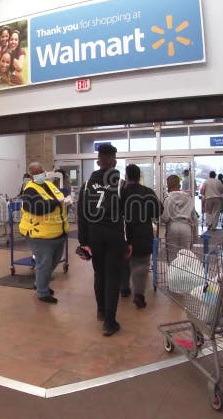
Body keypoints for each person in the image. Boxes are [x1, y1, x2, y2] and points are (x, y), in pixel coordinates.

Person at [76, 143, 130, 336]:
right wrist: (128, 241)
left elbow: (81, 215)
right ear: (114, 161)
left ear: (99, 161)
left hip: (94, 235)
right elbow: (129, 216)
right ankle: (109, 322)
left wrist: (83, 243)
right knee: (113, 277)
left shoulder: (86, 185)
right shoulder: (121, 185)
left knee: (99, 274)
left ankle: (101, 310)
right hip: (114, 235)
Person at [18, 162, 70, 304]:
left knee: (53, 262)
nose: (41, 174)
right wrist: (57, 202)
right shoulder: (29, 190)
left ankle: (40, 283)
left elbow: (59, 199)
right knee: (44, 264)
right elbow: (37, 209)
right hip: (40, 234)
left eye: (42, 171)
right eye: (37, 173)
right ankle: (42, 292)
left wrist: (66, 201)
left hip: (57, 232)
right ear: (30, 175)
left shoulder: (49, 185)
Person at [119, 164, 161, 308]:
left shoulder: (121, 193)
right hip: (143, 233)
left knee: (124, 261)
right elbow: (158, 211)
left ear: (127, 176)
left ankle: (124, 288)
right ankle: (139, 295)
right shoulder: (148, 192)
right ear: (139, 176)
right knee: (142, 263)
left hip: (124, 233)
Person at [160, 174, 198, 262]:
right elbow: (194, 217)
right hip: (186, 227)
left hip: (172, 227)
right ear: (179, 184)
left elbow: (164, 218)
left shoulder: (168, 198)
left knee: (172, 254)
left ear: (168, 184)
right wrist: (195, 235)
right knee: (186, 254)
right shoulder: (188, 198)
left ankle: (173, 274)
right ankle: (185, 274)